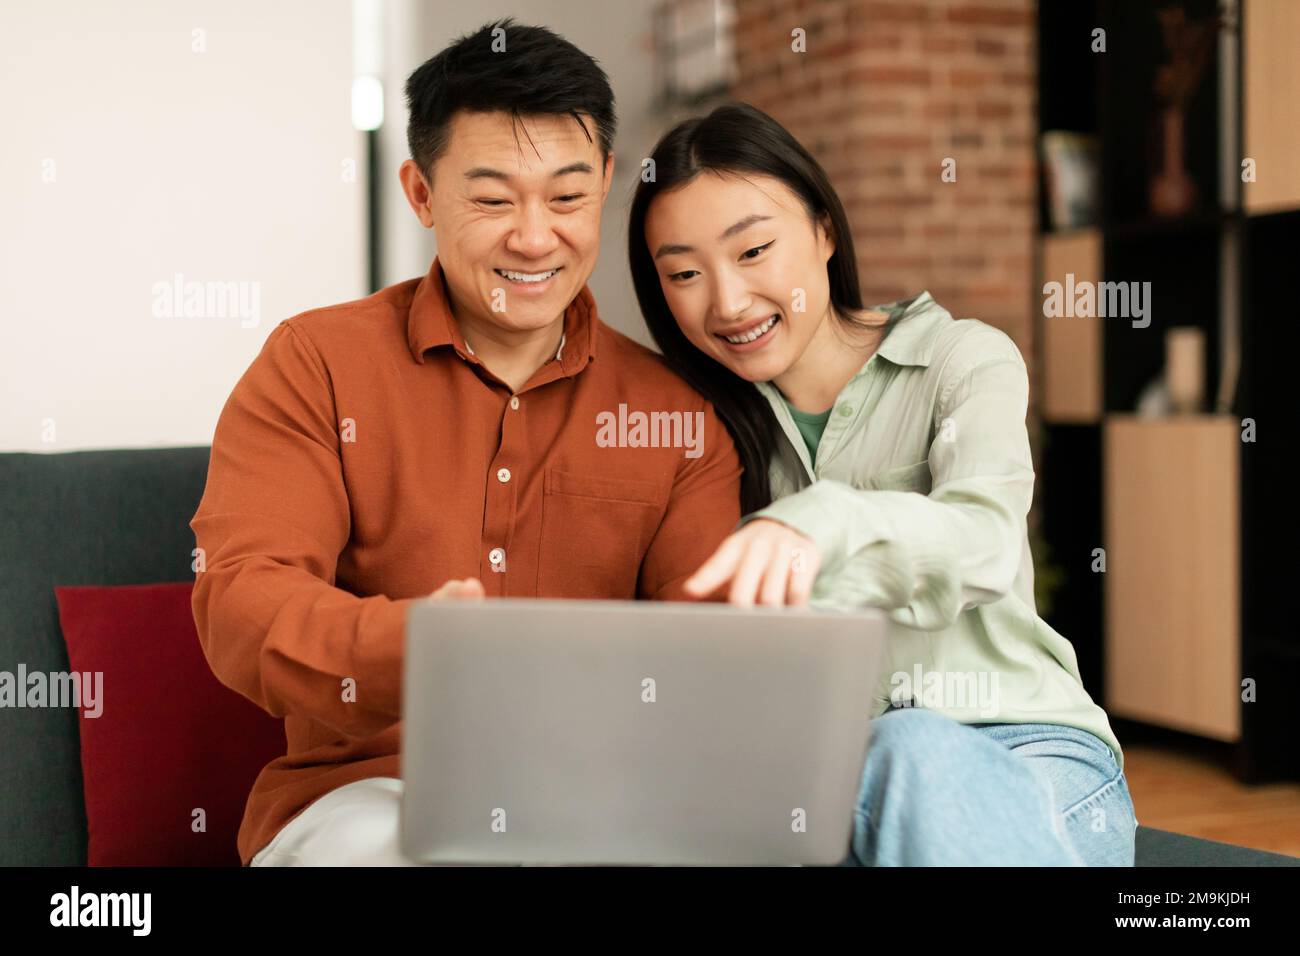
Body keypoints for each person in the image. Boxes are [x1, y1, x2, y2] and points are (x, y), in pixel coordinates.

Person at [191, 20, 742, 867]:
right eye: (491, 198)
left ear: (604, 184)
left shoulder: (677, 415)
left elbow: (710, 660)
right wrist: (419, 647)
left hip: (600, 804)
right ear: (421, 193)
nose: (532, 238)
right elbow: (241, 602)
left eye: (566, 197)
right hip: (367, 798)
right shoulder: (315, 364)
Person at [629, 102, 1137, 866]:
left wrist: (828, 519)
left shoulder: (963, 362)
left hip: (1027, 757)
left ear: (826, 231)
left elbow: (985, 543)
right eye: (684, 274)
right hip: (824, 782)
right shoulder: (694, 430)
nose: (727, 302)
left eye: (754, 250)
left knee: (912, 749)